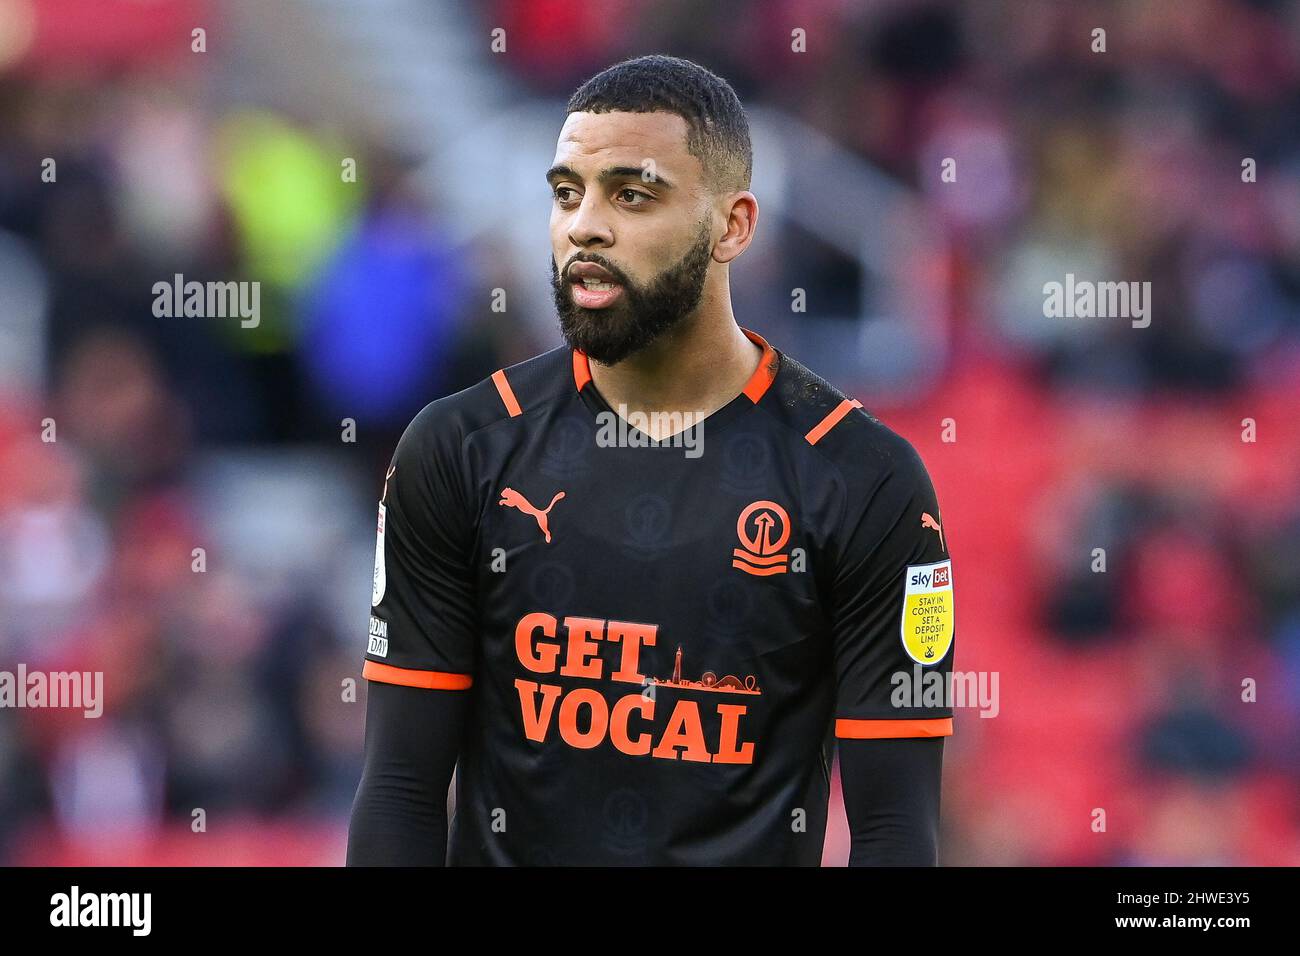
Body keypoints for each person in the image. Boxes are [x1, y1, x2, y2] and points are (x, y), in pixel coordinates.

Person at [347, 54, 954, 866]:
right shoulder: (458, 450)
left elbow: (894, 832)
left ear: (733, 226)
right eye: (567, 193)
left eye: (633, 194)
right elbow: (399, 791)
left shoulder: (864, 480)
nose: (584, 226)